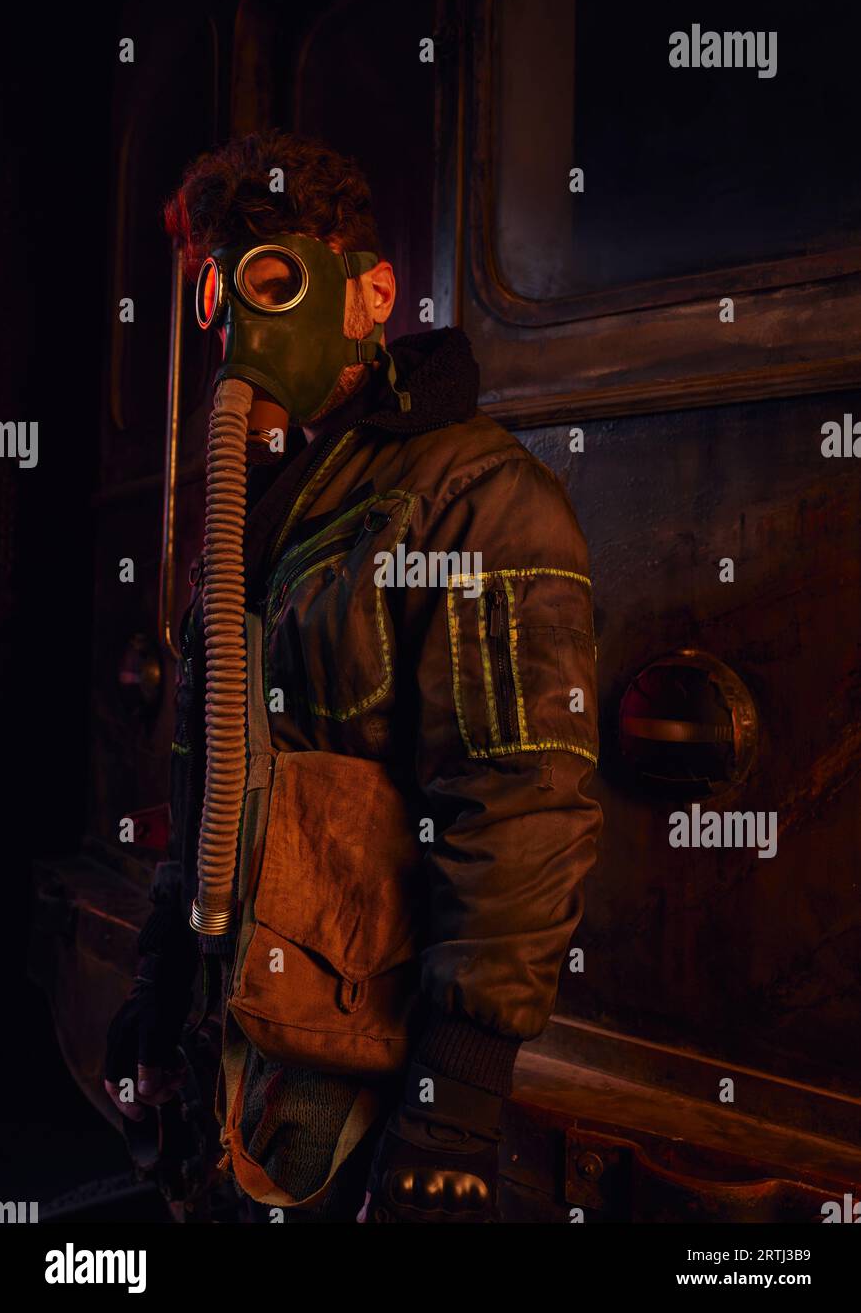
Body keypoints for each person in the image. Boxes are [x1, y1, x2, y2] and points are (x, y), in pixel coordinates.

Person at [104, 131, 603, 1223]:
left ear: (370, 291)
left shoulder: (475, 498)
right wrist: (156, 985)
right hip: (240, 1044)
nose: (243, 325)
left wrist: (452, 1103)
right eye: (218, 295)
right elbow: (210, 770)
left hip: (362, 1071)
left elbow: (519, 801)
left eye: (274, 278)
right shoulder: (266, 509)